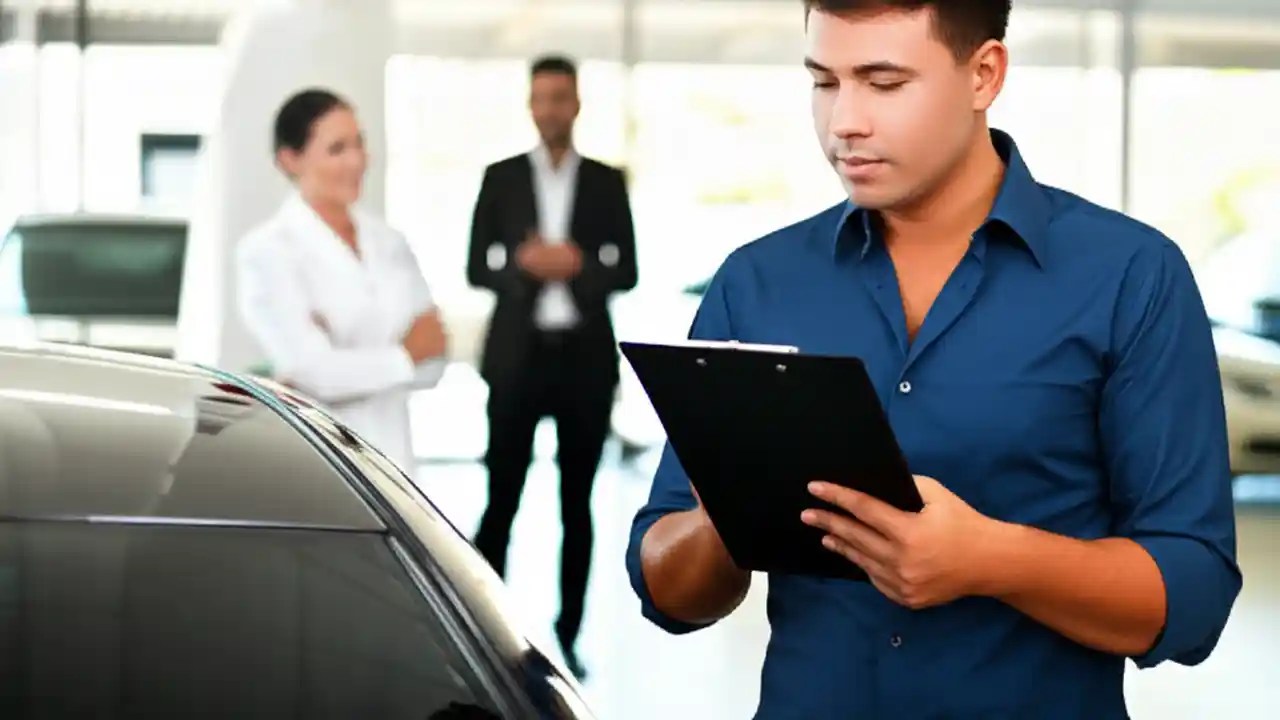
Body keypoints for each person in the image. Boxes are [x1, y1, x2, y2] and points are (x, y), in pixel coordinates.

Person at [627, 2, 1241, 717]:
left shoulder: (1131, 277)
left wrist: (989, 560)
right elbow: (667, 593)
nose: (843, 122)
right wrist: (723, 518)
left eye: (883, 83)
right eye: (824, 82)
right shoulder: (756, 283)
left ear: (984, 74)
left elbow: (1193, 597)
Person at [467, 54, 638, 679]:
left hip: (584, 363)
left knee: (577, 504)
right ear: (530, 104)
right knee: (501, 498)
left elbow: (628, 268)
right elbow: (475, 266)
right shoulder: (501, 177)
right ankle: (481, 627)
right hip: (516, 359)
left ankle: (570, 633)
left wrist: (578, 266)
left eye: (561, 97)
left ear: (576, 104)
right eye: (541, 98)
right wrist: (523, 265)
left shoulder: (605, 180)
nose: (551, 109)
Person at [237, 88, 448, 474]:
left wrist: (346, 359)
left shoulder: (390, 242)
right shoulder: (267, 251)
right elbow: (313, 373)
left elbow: (435, 358)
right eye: (337, 149)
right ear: (290, 159)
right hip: (319, 466)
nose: (357, 160)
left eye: (359, 143)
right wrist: (403, 354)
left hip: (396, 464)